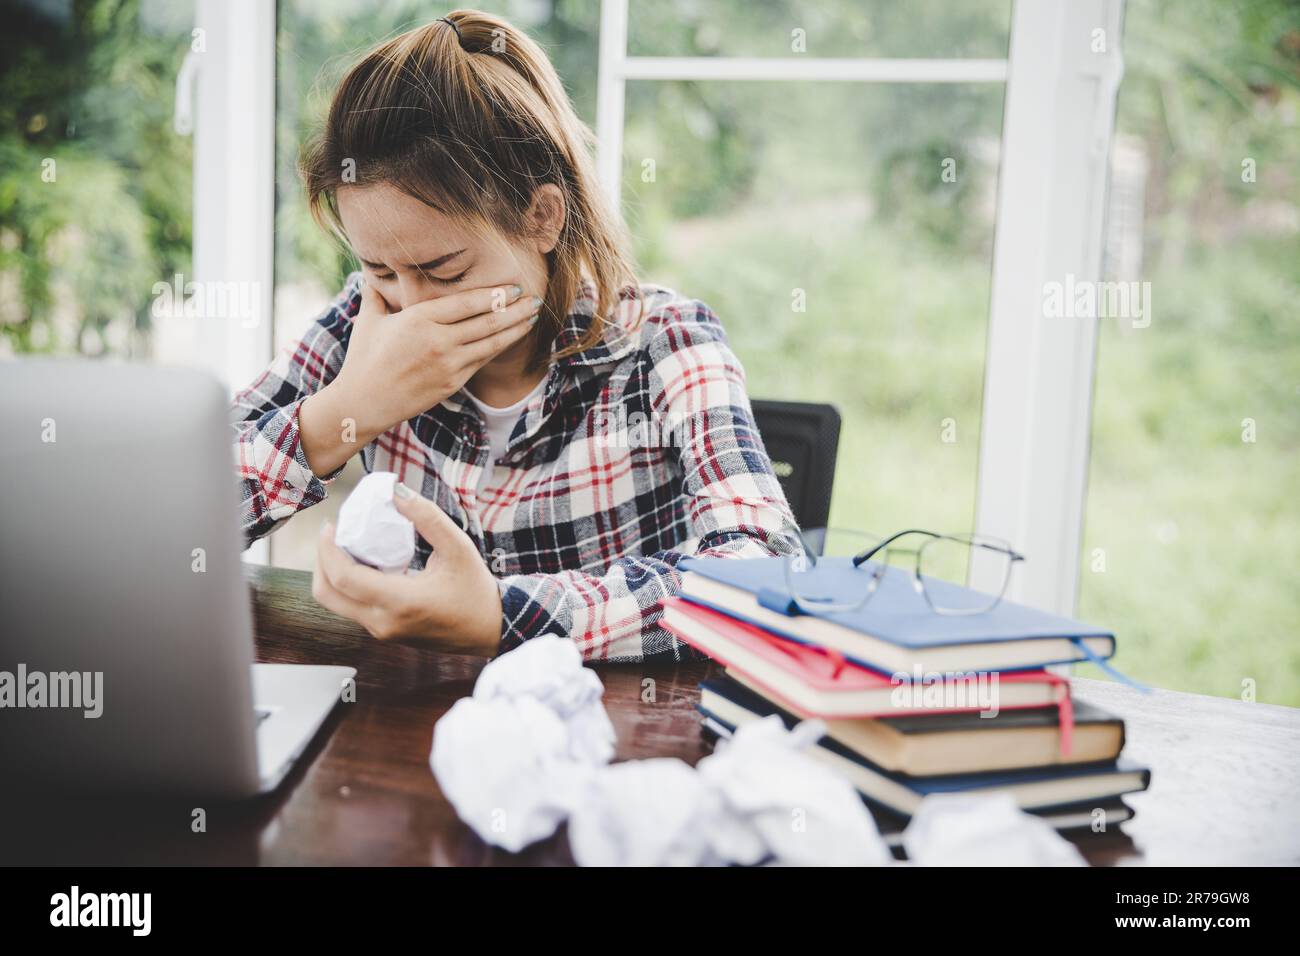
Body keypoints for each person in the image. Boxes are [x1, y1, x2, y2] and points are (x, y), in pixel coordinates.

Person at [232, 10, 800, 661]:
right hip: (417, 735)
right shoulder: (364, 327)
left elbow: (762, 574)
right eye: (380, 269)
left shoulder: (666, 345)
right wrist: (345, 413)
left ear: (542, 218)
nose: (411, 311)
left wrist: (503, 617)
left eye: (443, 270)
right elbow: (172, 522)